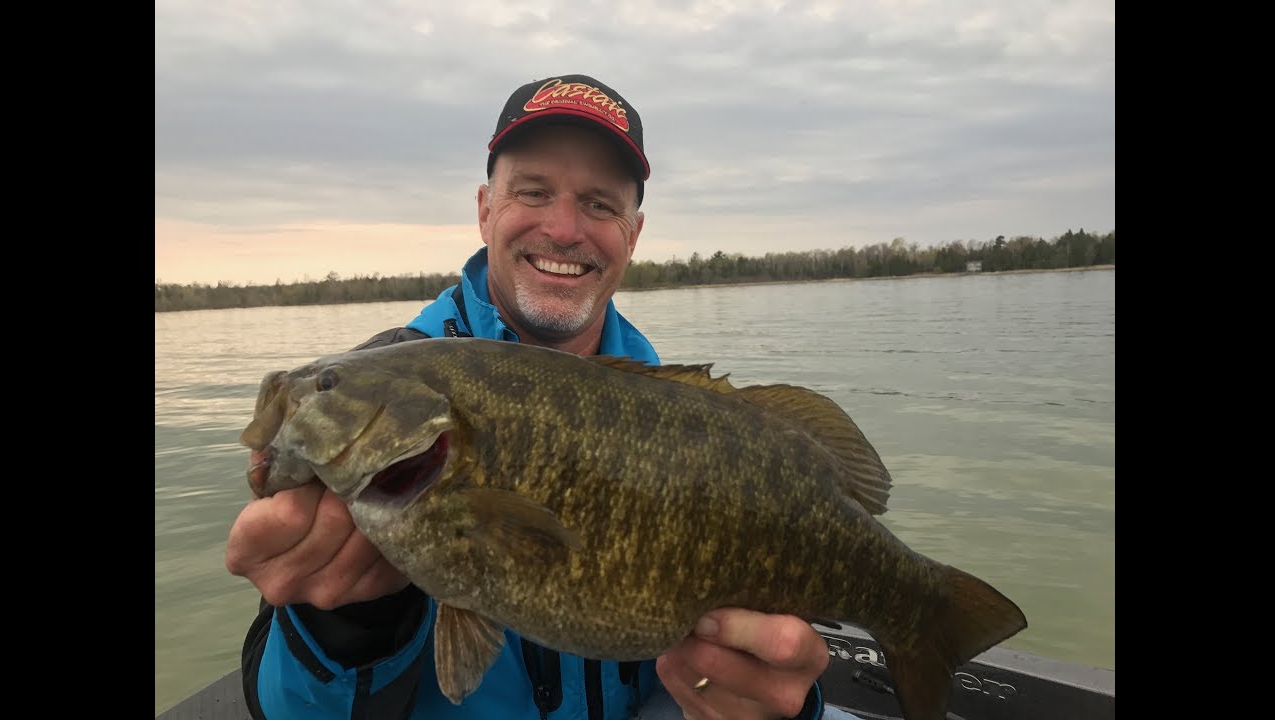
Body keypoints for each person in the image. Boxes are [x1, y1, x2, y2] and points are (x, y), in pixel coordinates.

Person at [225, 73, 847, 720]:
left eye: (600, 204)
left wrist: (775, 700)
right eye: (533, 191)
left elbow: (769, 653)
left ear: (633, 234)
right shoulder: (388, 377)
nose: (564, 228)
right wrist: (346, 626)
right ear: (484, 209)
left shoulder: (675, 415)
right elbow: (279, 704)